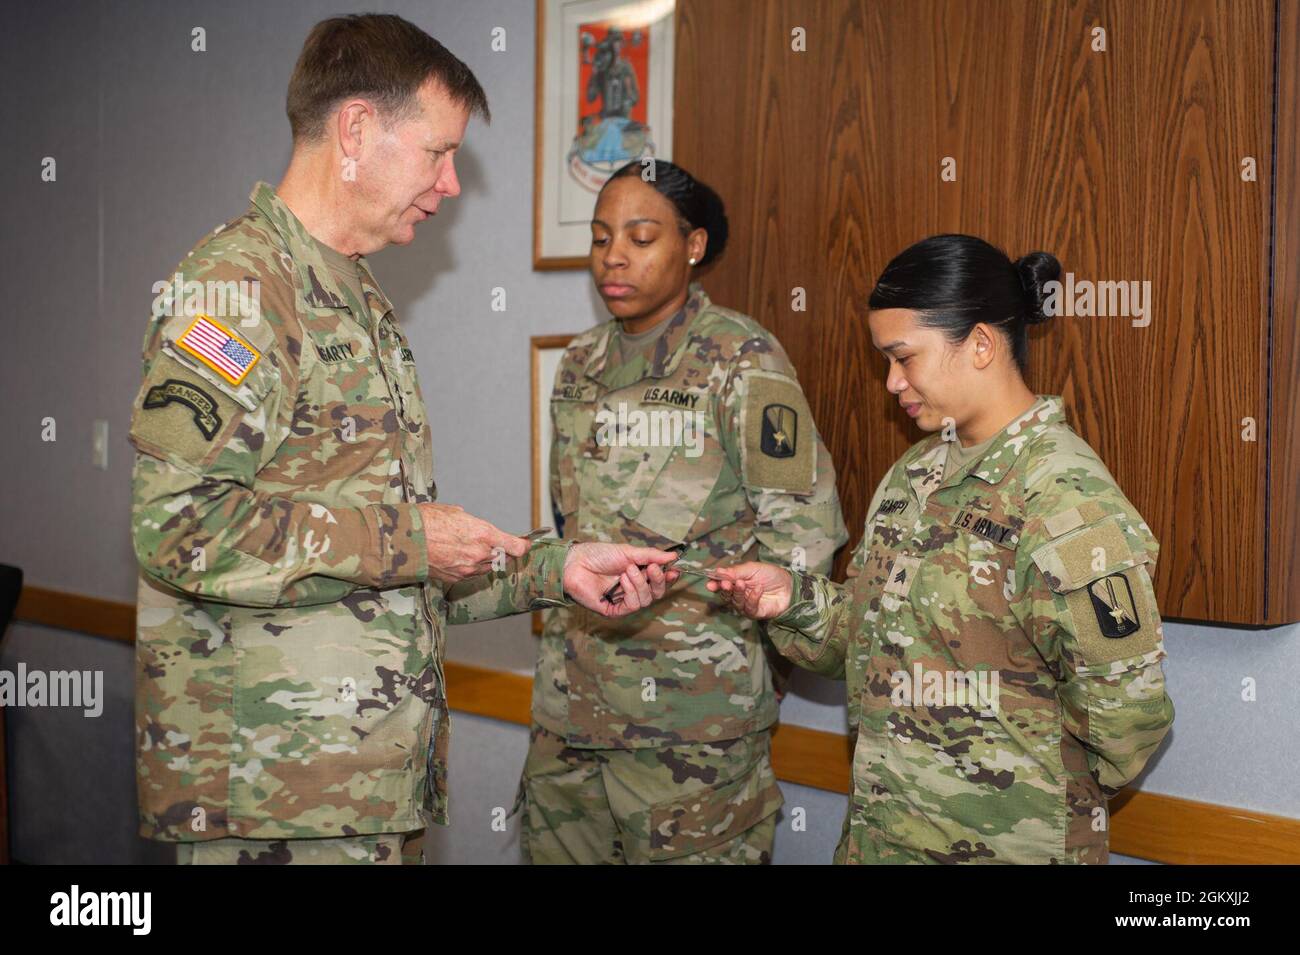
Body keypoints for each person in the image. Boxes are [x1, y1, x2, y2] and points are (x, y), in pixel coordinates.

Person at [129, 14, 678, 866]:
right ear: (355, 129)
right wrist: (416, 535)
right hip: (275, 801)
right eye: (438, 152)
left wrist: (554, 568)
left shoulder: (361, 298)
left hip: (371, 788)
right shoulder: (237, 289)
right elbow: (178, 527)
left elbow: (391, 563)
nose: (452, 183)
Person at [710, 234, 1175, 864]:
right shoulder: (915, 474)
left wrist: (1034, 789)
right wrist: (793, 600)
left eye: (904, 358)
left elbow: (1127, 718)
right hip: (883, 842)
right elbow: (872, 638)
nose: (891, 382)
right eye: (885, 361)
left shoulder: (1063, 498)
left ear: (980, 344)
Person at [509, 159, 848, 864]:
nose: (614, 258)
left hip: (692, 730)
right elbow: (574, 526)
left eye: (640, 236)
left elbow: (803, 537)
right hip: (570, 715)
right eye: (602, 238)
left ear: (692, 247)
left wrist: (755, 668)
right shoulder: (580, 364)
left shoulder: (740, 358)